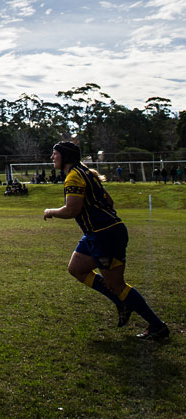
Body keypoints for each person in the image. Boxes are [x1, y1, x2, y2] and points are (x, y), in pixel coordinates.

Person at [44, 141, 169, 340]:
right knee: (76, 269)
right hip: (96, 233)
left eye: (54, 154)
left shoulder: (75, 176)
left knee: (116, 284)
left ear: (65, 156)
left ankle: (157, 326)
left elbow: (72, 210)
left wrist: (50, 212)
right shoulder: (85, 172)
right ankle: (121, 302)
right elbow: (109, 201)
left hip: (105, 234)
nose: (52, 158)